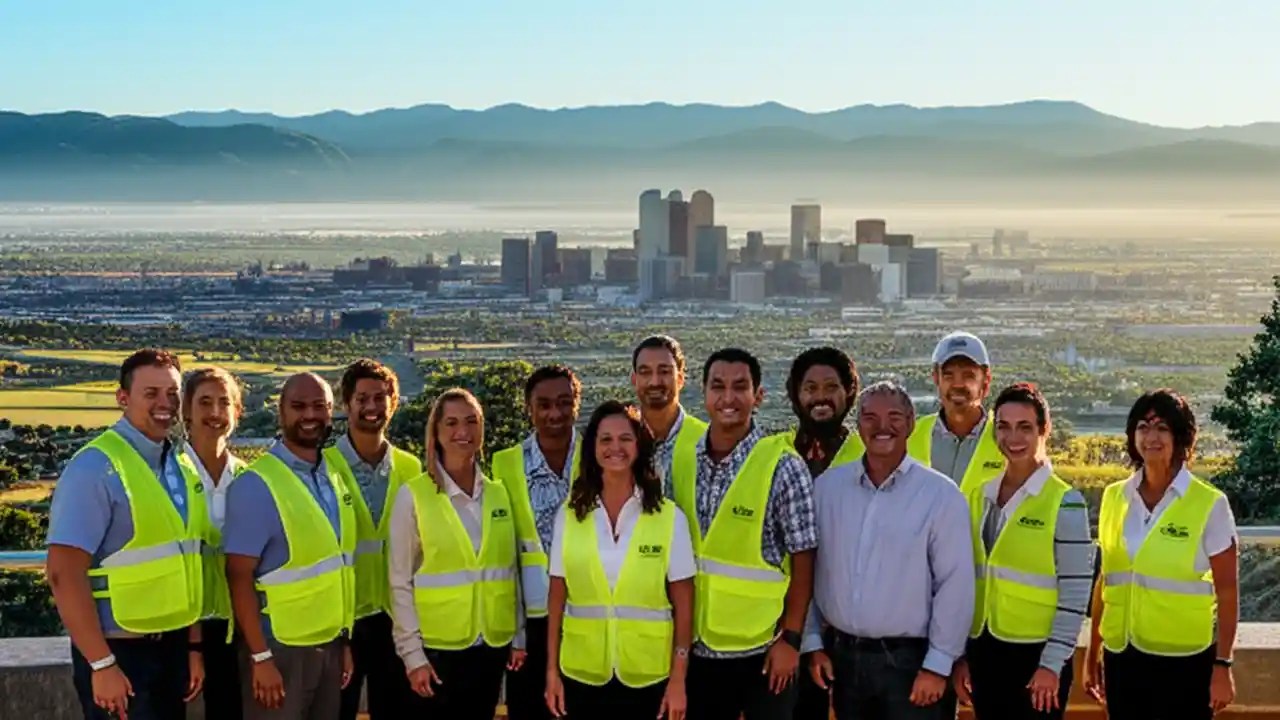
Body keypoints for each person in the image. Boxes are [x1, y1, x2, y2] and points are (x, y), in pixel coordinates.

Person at [47, 349, 207, 720]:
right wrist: (102, 665)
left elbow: (187, 560)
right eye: (151, 393)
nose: (165, 404)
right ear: (123, 398)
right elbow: (63, 573)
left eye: (172, 394)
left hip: (172, 649)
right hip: (119, 652)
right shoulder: (96, 467)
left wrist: (192, 649)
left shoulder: (180, 465)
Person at [805, 380, 974, 720]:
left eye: (894, 416)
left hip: (913, 665)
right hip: (844, 662)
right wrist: (812, 642)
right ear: (858, 424)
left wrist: (938, 665)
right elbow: (809, 571)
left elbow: (955, 585)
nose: (882, 426)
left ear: (911, 423)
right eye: (870, 417)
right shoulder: (827, 490)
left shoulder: (941, 496)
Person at [676, 348, 817, 720]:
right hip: (697, 654)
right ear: (702, 393)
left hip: (764, 654)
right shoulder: (680, 461)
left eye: (740, 387)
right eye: (717, 386)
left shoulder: (783, 467)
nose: (728, 398)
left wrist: (790, 639)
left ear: (758, 396)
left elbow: (805, 561)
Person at [1083, 389, 1239, 720]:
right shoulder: (1114, 497)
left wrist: (1223, 665)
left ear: (1181, 437)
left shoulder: (1209, 504)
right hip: (1123, 659)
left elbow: (1228, 591)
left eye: (1162, 428)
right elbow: (1107, 580)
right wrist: (1093, 652)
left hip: (1186, 663)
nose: (1151, 437)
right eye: (1143, 426)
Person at [545, 401, 696, 720]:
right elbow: (557, 595)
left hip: (648, 675)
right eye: (606, 439)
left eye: (625, 438)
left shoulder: (669, 518)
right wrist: (551, 672)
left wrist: (679, 679)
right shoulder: (569, 516)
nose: (616, 447)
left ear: (639, 445)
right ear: (593, 449)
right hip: (582, 673)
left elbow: (684, 604)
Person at [951, 383, 1093, 720]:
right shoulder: (979, 497)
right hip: (984, 651)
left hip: (1035, 658)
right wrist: (961, 655)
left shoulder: (1065, 501)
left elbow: (1075, 593)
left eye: (1025, 427)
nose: (1012, 437)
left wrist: (1052, 664)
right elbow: (964, 580)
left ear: (1044, 430)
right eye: (1003, 426)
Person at [223, 373, 355, 720]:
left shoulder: (332, 476)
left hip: (327, 644)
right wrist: (260, 657)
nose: (309, 415)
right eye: (298, 407)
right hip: (280, 650)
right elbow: (238, 577)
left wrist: (342, 642)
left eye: (319, 406)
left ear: (331, 411)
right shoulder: (256, 484)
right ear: (281, 412)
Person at [387, 388, 525, 719]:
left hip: (491, 649)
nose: (462, 432)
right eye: (451, 423)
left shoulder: (498, 494)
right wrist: (413, 656)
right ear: (435, 431)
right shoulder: (414, 496)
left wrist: (518, 635)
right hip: (438, 653)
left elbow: (510, 572)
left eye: (471, 421)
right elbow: (399, 581)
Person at [324, 359, 423, 720]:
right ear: (346, 404)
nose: (371, 407)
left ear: (393, 404)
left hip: (396, 618)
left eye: (380, 398)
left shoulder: (412, 469)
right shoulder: (323, 467)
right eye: (362, 398)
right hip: (344, 621)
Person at [773, 346, 862, 720]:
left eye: (831, 386)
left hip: (854, 627)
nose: (820, 397)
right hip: (784, 625)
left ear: (849, 393)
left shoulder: (869, 455)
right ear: (795, 394)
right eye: (810, 388)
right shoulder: (772, 455)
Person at [491, 364, 583, 720]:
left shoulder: (599, 457)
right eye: (543, 404)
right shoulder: (505, 465)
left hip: (587, 614)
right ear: (528, 408)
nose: (554, 413)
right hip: (531, 622)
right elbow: (504, 552)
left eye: (564, 402)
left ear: (577, 402)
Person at [183, 366, 249, 720]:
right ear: (186, 411)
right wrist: (193, 644)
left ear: (237, 412)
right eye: (204, 402)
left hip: (237, 626)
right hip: (181, 629)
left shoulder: (249, 479)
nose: (214, 413)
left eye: (224, 402)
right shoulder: (169, 475)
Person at [908, 332, 1004, 495]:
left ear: (986, 380)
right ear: (936, 378)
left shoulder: (1007, 440)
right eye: (948, 375)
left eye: (968, 375)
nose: (958, 384)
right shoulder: (909, 437)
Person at [630, 334, 708, 500]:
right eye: (645, 372)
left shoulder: (706, 442)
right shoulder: (618, 442)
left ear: (680, 379)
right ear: (634, 380)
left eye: (664, 371)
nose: (654, 381)